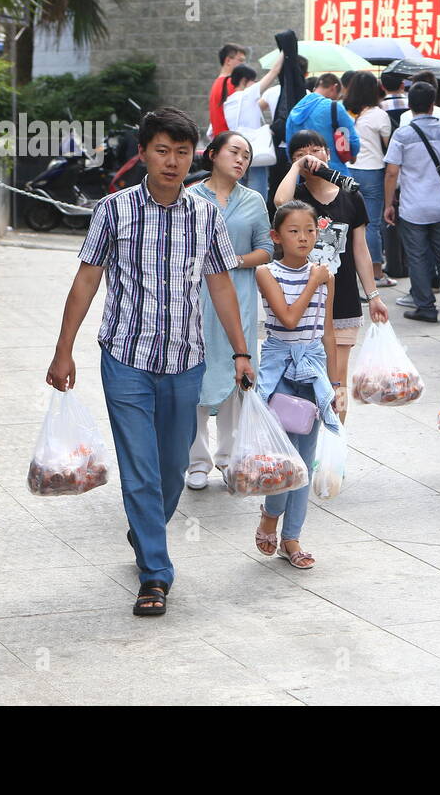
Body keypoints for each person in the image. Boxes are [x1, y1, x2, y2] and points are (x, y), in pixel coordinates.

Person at [46, 108, 253, 617]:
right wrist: (63, 348)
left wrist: (242, 351)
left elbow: (221, 283)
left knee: (173, 464)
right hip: (126, 359)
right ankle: (156, 575)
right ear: (143, 153)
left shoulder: (206, 214)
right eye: (162, 150)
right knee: (140, 469)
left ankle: (144, 528)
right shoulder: (114, 210)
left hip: (186, 361)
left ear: (193, 157)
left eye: (182, 152)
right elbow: (87, 279)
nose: (172, 161)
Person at [275, 131, 390, 420]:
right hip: (302, 301)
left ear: (328, 153)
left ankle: (335, 442)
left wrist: (374, 295)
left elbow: (360, 250)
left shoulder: (351, 195)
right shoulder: (297, 198)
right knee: (303, 382)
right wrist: (295, 168)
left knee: (337, 378)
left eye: (316, 150)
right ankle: (308, 443)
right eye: (301, 154)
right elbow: (279, 202)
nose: (311, 157)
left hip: (343, 300)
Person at [253, 201, 342, 568]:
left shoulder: (325, 275)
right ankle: (270, 516)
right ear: (276, 236)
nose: (303, 237)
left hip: (313, 370)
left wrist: (337, 385)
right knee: (281, 458)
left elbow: (329, 331)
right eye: (293, 231)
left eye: (309, 230)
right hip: (278, 371)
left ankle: (292, 537)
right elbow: (288, 319)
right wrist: (313, 281)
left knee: (304, 460)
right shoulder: (266, 272)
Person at [185, 131, 274, 490]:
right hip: (194, 297)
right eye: (234, 152)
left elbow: (267, 249)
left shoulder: (254, 201)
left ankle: (229, 456)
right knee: (194, 374)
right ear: (213, 154)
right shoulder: (189, 197)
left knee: (238, 374)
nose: (241, 160)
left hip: (238, 295)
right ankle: (196, 461)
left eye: (247, 156)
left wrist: (233, 260)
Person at [383, 80, 440, 322]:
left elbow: (391, 172)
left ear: (410, 105)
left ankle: (426, 307)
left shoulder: (402, 134)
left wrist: (389, 204)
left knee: (417, 257)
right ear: (432, 105)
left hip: (412, 207)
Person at [343, 71, 394, 288]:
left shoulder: (345, 113)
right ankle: (376, 274)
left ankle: (348, 271)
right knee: (371, 224)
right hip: (373, 170)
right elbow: (387, 143)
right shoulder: (378, 115)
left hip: (348, 170)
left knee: (348, 223)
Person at [222, 53, 285, 198]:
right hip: (255, 152)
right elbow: (273, 72)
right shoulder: (249, 95)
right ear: (245, 81)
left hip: (235, 154)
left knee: (239, 195)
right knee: (258, 196)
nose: (256, 84)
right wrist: (284, 52)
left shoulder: (227, 102)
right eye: (253, 81)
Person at [285, 72, 360, 174]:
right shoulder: (334, 107)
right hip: (333, 172)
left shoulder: (295, 110)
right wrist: (351, 156)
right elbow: (353, 141)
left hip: (304, 175)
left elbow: (289, 149)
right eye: (338, 95)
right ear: (334, 87)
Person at [207, 42, 246, 136]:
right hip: (231, 140)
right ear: (228, 60)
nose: (244, 65)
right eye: (240, 60)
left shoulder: (218, 82)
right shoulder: (230, 83)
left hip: (223, 140)